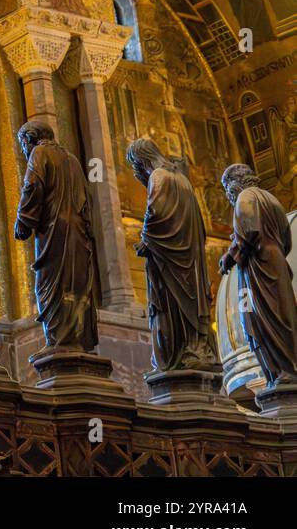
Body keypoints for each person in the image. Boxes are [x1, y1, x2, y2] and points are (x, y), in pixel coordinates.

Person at [126, 138, 218, 372]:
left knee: (170, 310)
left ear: (140, 161)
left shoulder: (158, 176)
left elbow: (155, 212)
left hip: (168, 260)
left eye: (135, 166)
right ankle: (194, 349)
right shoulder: (182, 180)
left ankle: (178, 357)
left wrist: (145, 240)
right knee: (188, 305)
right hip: (188, 258)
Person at [13, 120, 100, 351]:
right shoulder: (72, 159)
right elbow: (87, 201)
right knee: (73, 286)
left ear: (30, 139)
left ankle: (59, 341)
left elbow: (32, 187)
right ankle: (74, 339)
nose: (23, 150)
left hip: (55, 232)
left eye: (23, 143)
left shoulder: (40, 153)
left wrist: (23, 222)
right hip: (79, 235)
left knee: (51, 286)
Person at [220, 163, 297, 387]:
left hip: (258, 267)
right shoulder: (272, 200)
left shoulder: (246, 196)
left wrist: (229, 256)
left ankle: (281, 373)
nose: (228, 195)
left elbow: (249, 230)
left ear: (235, 183)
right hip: (276, 262)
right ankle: (286, 369)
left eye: (227, 188)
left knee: (261, 319)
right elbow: (286, 240)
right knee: (282, 318)